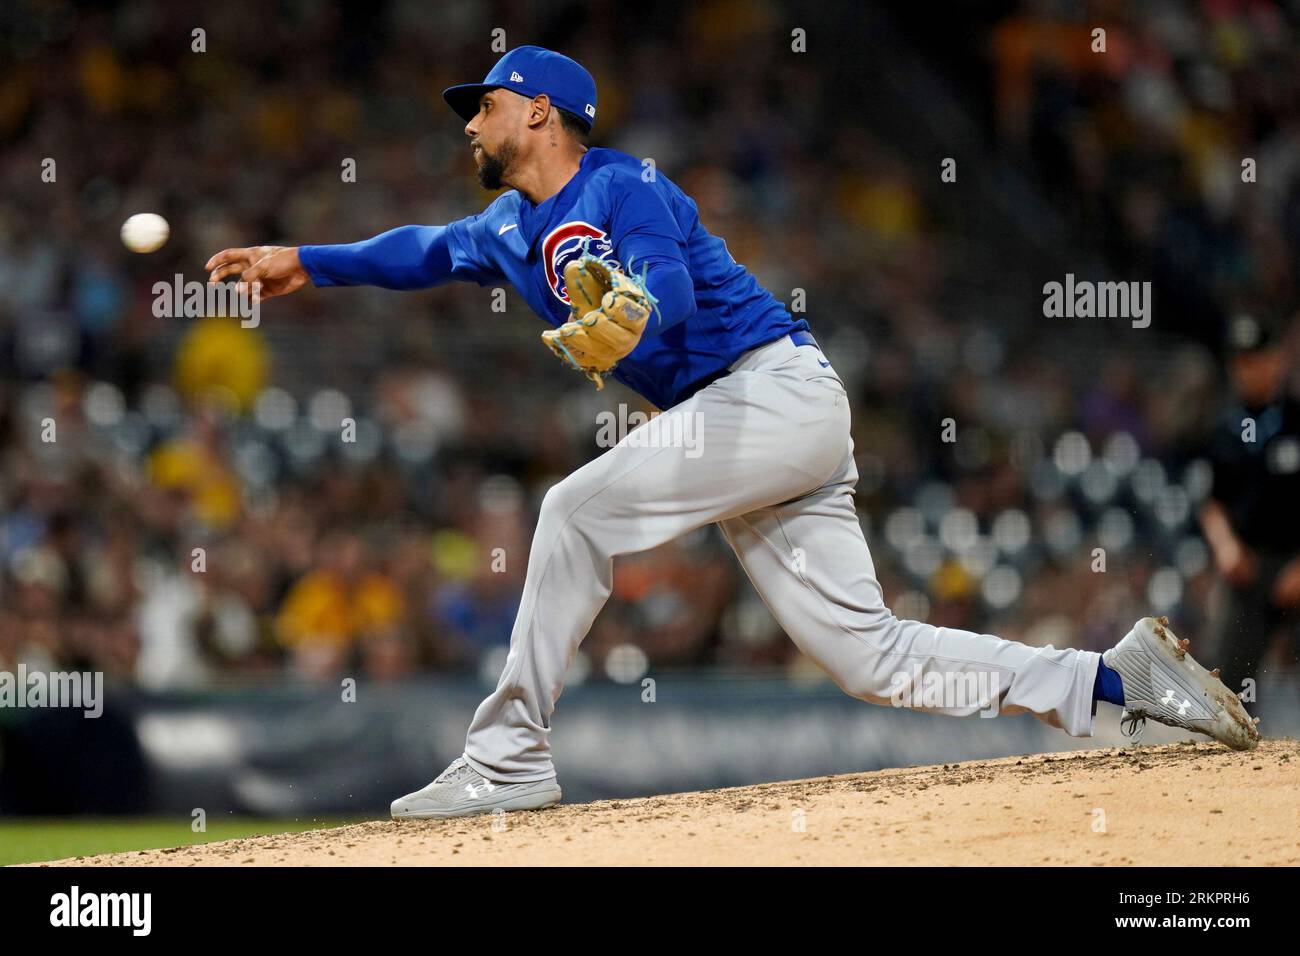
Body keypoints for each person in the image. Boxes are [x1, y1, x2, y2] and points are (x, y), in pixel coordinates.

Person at [205, 46, 1260, 820]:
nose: (466, 123)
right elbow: (424, 250)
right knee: (870, 654)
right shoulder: (504, 228)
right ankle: (1118, 687)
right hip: (747, 428)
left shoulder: (620, 182)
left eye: (480, 105)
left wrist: (640, 315)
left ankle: (511, 752)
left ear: (537, 110)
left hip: (771, 396)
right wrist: (309, 257)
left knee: (571, 509)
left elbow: (659, 276)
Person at [1200, 312, 1300, 693]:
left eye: (1255, 358)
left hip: (1295, 561)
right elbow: (1213, 501)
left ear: (1276, 358)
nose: (1247, 369)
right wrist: (1226, 548)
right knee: (1228, 682)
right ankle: (1232, 750)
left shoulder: (1296, 420)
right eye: (1239, 361)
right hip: (1248, 566)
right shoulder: (1225, 428)